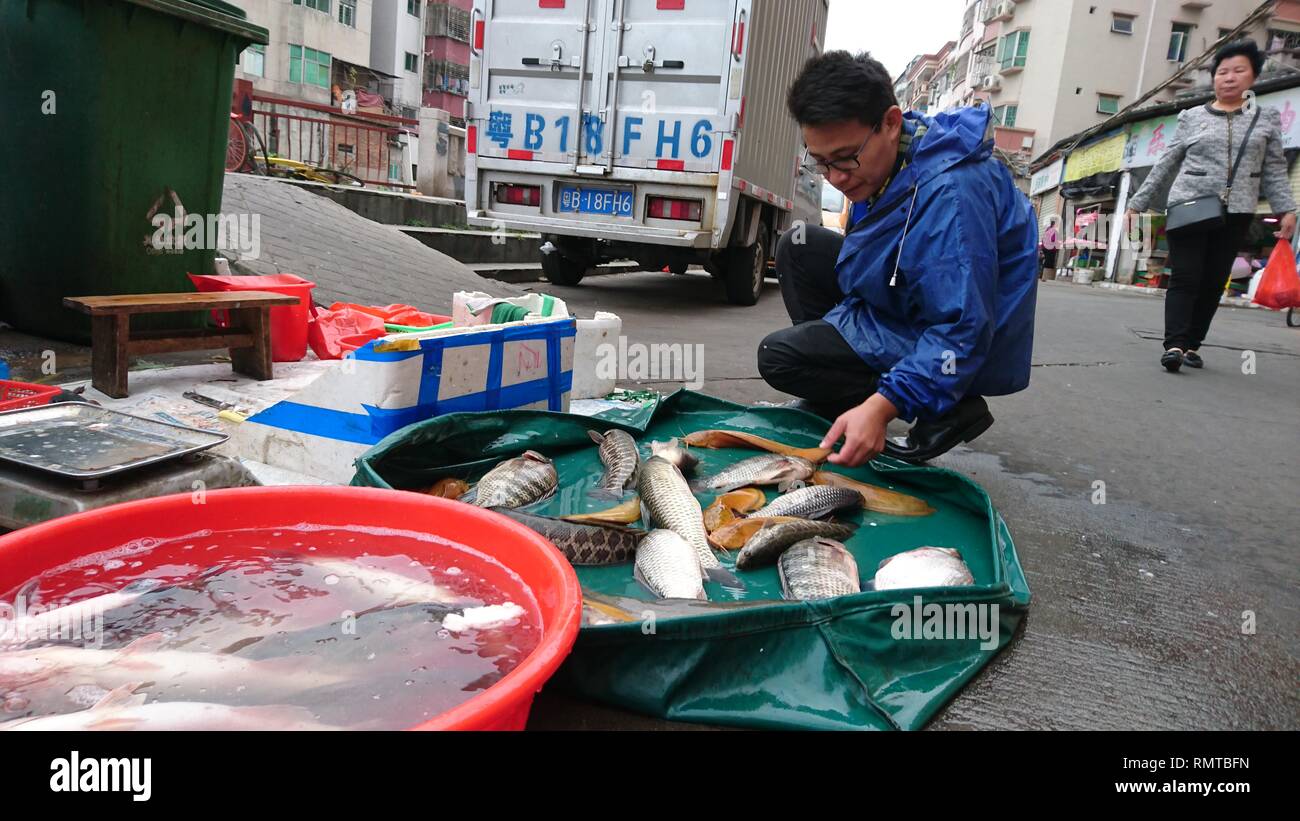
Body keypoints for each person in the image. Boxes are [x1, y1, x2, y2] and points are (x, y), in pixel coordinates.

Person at [757, 51, 1039, 467]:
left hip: (962, 340)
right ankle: (837, 394)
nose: (835, 177)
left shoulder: (951, 194)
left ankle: (940, 406)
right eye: (821, 163)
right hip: (914, 302)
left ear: (891, 122)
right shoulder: (896, 158)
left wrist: (886, 404)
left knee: (779, 356)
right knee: (799, 246)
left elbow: (963, 326)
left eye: (846, 157)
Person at [1125, 40, 1296, 372]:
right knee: (1186, 277)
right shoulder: (1191, 117)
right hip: (1190, 205)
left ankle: (1191, 344)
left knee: (1215, 280)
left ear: (1253, 76)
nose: (1229, 78)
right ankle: (1174, 343)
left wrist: (1286, 208)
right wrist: (1137, 203)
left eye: (1238, 70)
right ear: (1215, 77)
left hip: (1237, 210)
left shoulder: (1266, 120)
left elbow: (1274, 168)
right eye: (1222, 71)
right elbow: (1166, 163)